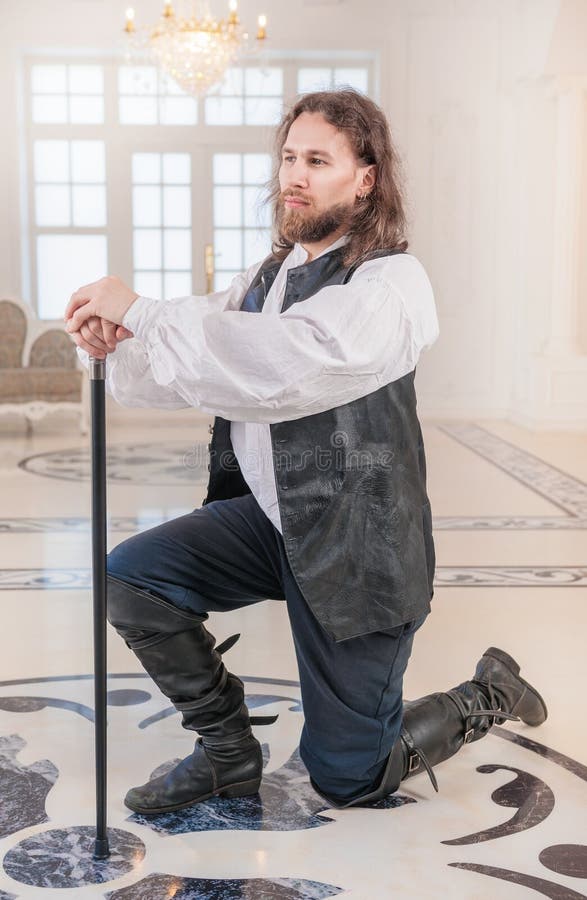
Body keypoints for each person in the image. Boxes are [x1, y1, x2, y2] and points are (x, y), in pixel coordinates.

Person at [65, 89, 547, 816]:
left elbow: (290, 361)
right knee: (131, 577)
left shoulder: (390, 284)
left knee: (349, 778)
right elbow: (203, 355)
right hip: (272, 521)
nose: (293, 174)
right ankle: (227, 753)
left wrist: (141, 312)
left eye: (317, 160)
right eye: (289, 157)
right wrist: (117, 337)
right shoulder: (268, 277)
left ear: (365, 179)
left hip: (358, 546)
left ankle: (487, 692)